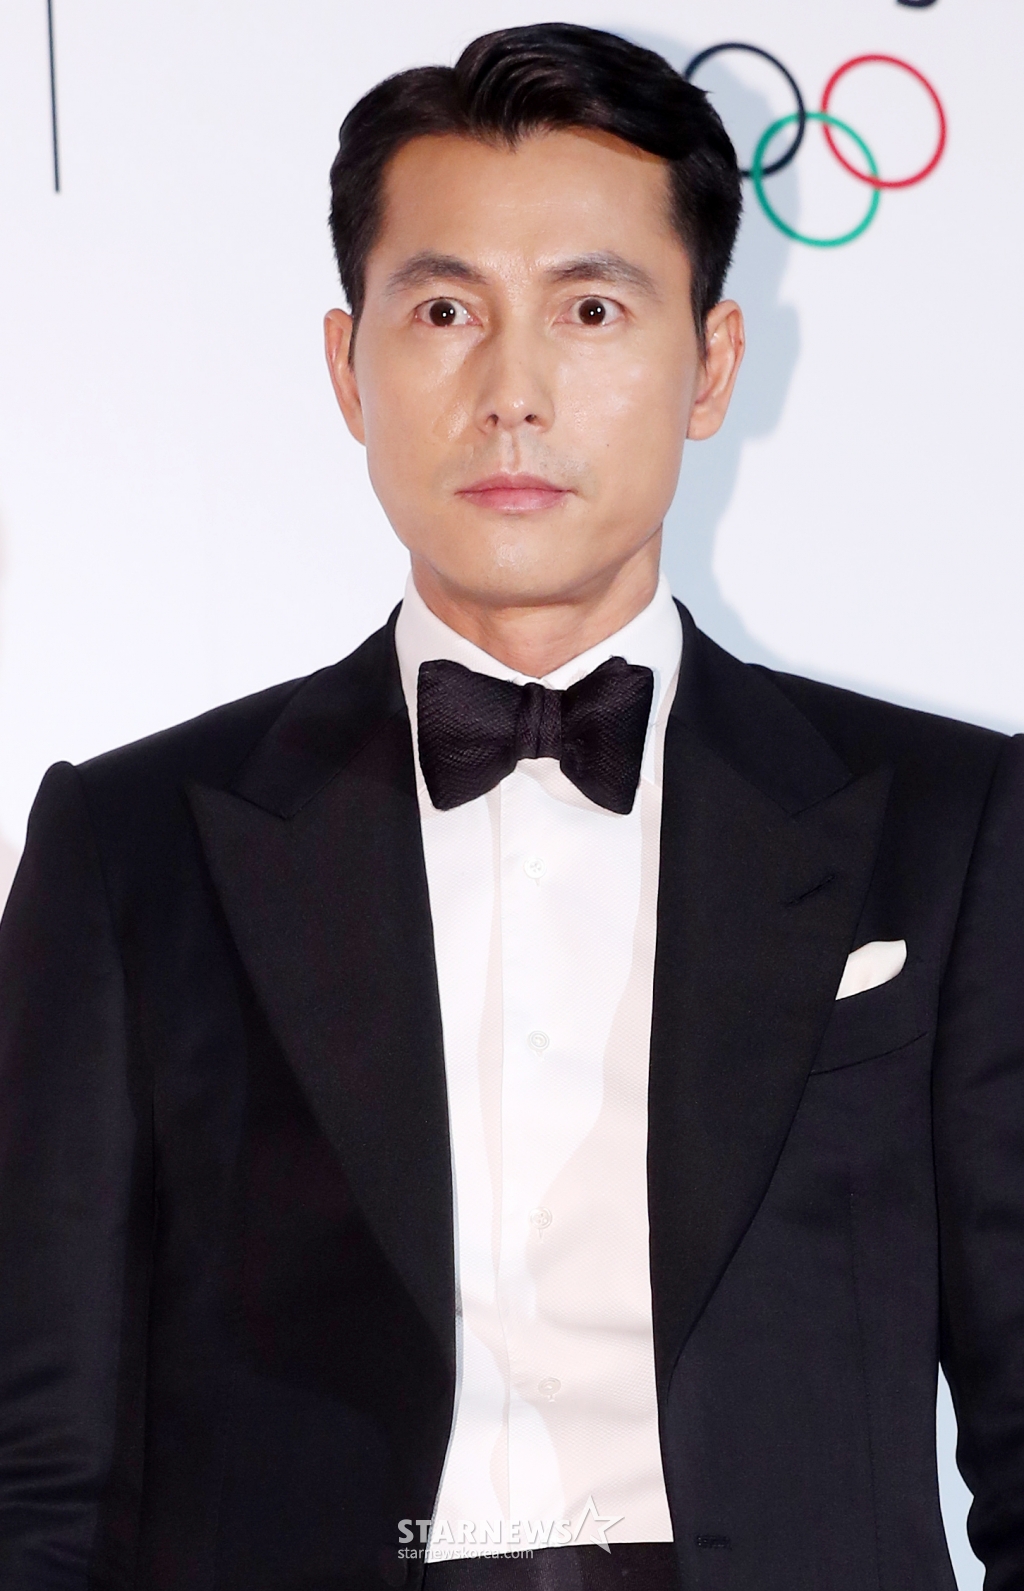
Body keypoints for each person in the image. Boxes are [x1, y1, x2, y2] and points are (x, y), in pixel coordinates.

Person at [0, 20, 1022, 1591]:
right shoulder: (135, 845)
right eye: (444, 310)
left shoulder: (950, 826)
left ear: (711, 364)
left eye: (592, 309)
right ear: (348, 366)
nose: (514, 393)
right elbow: (38, 1464)